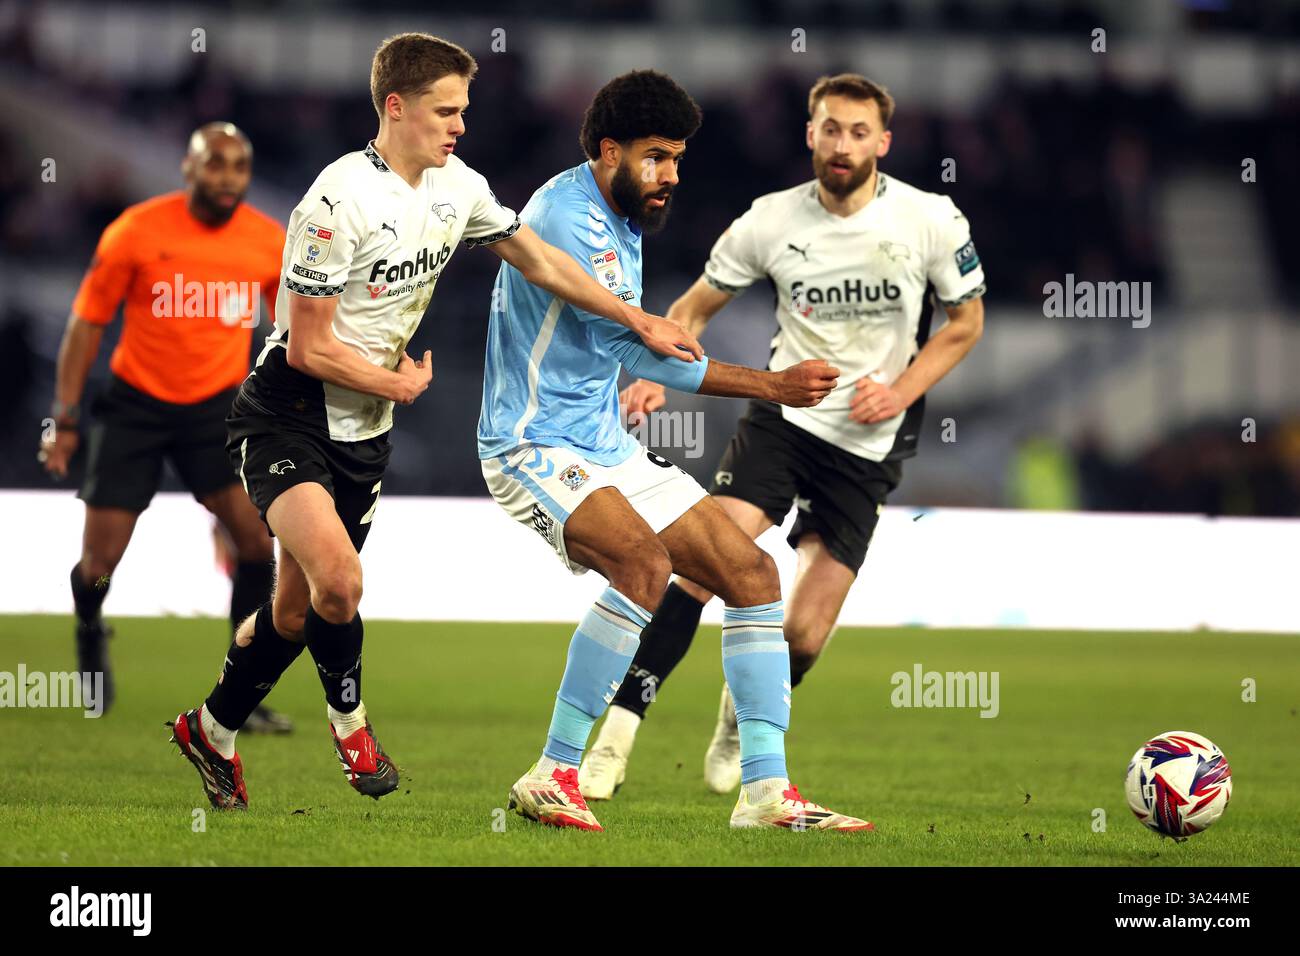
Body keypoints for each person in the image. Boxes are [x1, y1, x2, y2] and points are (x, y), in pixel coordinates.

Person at [168, 34, 702, 811]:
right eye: (445, 110)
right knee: (342, 586)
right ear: (396, 106)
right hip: (288, 414)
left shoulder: (461, 187)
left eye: (464, 110)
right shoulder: (336, 199)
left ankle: (210, 728)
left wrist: (636, 319)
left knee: (295, 612)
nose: (459, 124)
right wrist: (393, 379)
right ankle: (352, 730)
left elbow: (545, 263)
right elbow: (310, 348)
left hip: (365, 429)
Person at [480, 70, 873, 832]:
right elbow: (641, 347)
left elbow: (638, 345)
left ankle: (765, 794)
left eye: (679, 159)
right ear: (608, 151)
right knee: (644, 567)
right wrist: (773, 386)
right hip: (531, 443)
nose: (671, 176)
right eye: (656, 157)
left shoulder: (617, 214)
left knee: (753, 573)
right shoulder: (568, 218)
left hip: (601, 442)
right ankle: (553, 770)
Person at [581, 73, 987, 800]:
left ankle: (737, 720)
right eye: (830, 129)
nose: (842, 144)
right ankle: (616, 735)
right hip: (784, 420)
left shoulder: (931, 221)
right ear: (810, 133)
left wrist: (899, 390)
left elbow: (966, 324)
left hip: (869, 441)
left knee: (801, 635)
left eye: (859, 133)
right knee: (704, 566)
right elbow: (696, 306)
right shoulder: (769, 220)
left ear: (883, 143)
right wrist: (651, 371)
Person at [41, 123, 292, 732]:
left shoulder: (266, 241)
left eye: (237, 166)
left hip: (217, 412)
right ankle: (89, 624)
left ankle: (240, 690)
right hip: (136, 408)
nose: (226, 177)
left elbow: (293, 331)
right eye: (214, 164)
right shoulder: (137, 231)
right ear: (188, 168)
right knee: (100, 561)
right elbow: (85, 325)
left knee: (259, 545)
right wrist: (65, 419)